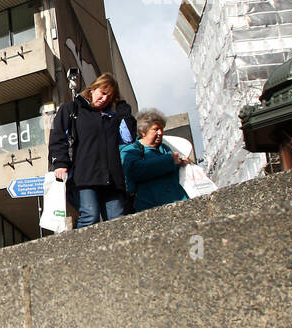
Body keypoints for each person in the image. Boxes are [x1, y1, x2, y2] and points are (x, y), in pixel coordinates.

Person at [48, 73, 136, 227]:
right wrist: (60, 163)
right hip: (85, 175)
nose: (104, 99)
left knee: (118, 220)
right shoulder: (72, 109)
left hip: (112, 179)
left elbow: (128, 137)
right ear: (93, 89)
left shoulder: (113, 117)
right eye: (102, 93)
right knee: (90, 216)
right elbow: (57, 136)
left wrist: (121, 105)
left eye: (109, 97)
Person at [119, 110, 190, 211]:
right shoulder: (132, 149)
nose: (160, 133)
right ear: (143, 131)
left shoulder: (166, 148)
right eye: (156, 129)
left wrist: (182, 163)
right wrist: (170, 161)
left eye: (161, 129)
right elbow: (134, 170)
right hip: (151, 207)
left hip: (178, 202)